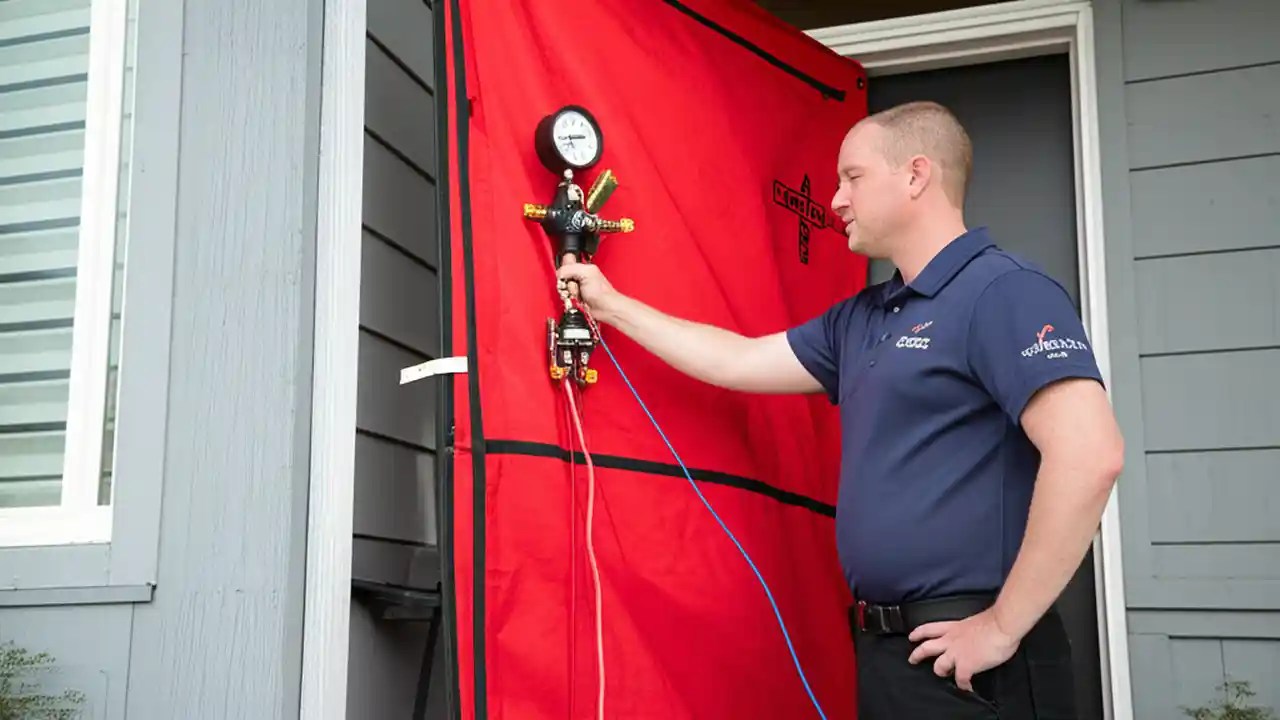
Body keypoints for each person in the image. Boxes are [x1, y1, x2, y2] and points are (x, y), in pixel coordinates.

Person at [556, 100, 1124, 719]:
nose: (835, 200)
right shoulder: (861, 318)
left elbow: (1090, 454)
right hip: (890, 656)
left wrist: (1001, 627)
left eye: (852, 177)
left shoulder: (1002, 292)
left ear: (915, 175)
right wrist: (611, 306)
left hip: (975, 664)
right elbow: (736, 362)